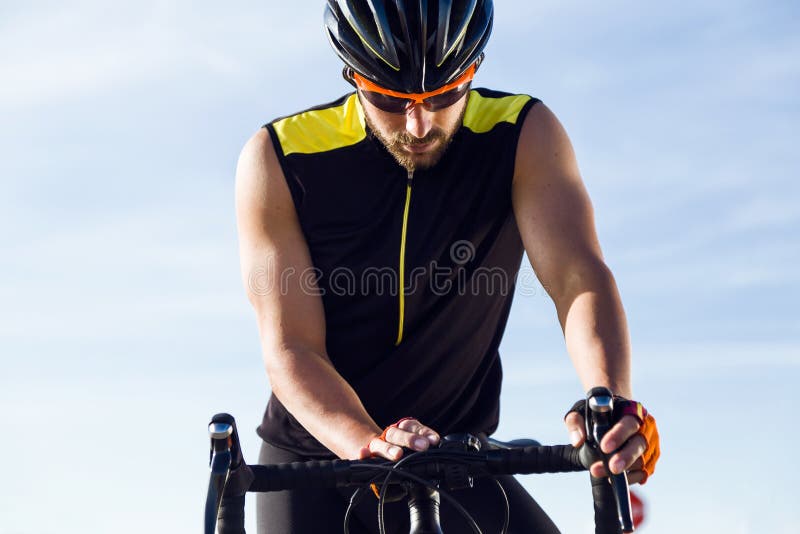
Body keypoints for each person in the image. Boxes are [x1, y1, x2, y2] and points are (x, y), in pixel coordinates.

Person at [234, 1, 661, 532]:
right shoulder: (281, 156)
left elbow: (578, 279)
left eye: (444, 94)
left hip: (457, 455)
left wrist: (609, 398)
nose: (419, 124)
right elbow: (290, 346)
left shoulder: (523, 134)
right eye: (391, 98)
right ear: (352, 74)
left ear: (475, 70)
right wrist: (367, 443)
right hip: (316, 457)